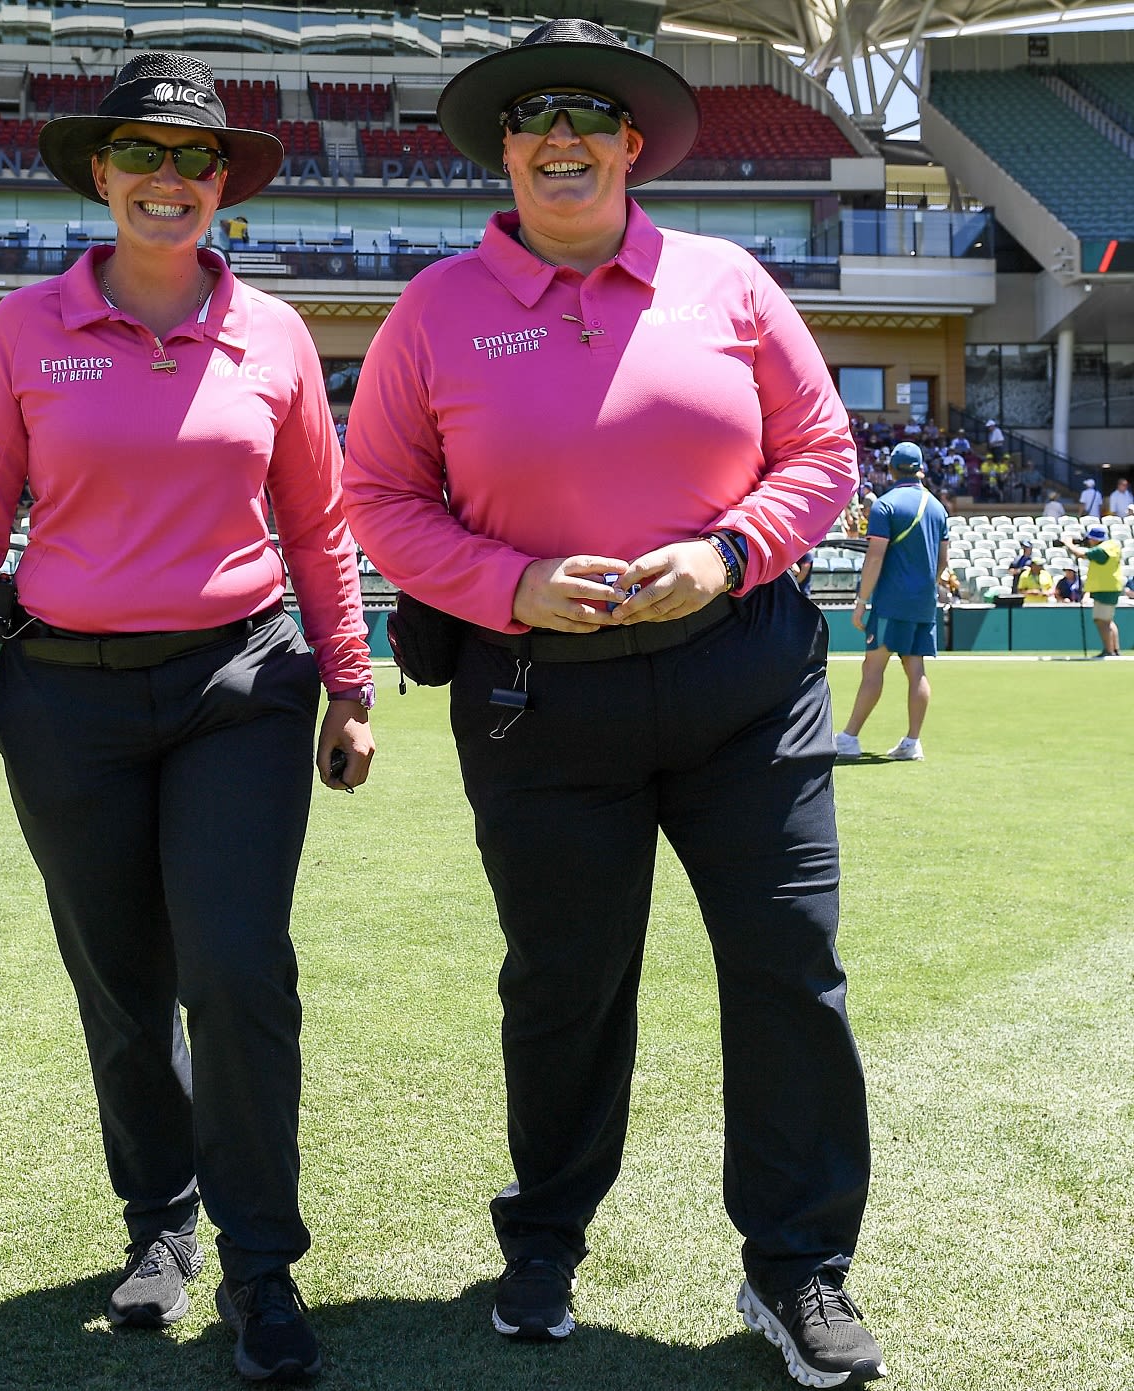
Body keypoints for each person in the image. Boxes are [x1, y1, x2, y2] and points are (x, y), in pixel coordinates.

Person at [342, 21, 885, 1388]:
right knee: (565, 987)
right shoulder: (435, 307)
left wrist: (728, 550)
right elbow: (380, 501)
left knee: (788, 967)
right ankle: (545, 1239)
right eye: (534, 122)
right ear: (504, 152)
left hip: (745, 681)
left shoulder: (730, 279)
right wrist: (509, 585)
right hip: (537, 700)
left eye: (589, 115)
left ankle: (799, 1265)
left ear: (632, 142)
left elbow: (823, 451)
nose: (562, 139)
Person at [0, 52, 374, 1384]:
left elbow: (319, 522)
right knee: (123, 988)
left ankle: (263, 1261)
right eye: (143, 156)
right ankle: (160, 1219)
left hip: (241, 683)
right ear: (102, 174)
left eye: (195, 159)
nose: (169, 180)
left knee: (235, 968)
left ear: (222, 184)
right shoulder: (24, 329)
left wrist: (350, 681)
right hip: (66, 699)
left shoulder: (276, 336)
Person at [835, 440, 949, 762]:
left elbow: (874, 558)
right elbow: (943, 561)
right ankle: (913, 742)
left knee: (873, 668)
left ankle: (850, 738)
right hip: (923, 604)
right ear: (921, 468)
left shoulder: (886, 505)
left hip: (891, 602)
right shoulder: (938, 508)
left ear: (891, 469)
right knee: (916, 670)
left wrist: (861, 602)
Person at [1062, 523, 1122, 656]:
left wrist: (1069, 543)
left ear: (1094, 538)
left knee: (1101, 620)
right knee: (1108, 620)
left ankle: (1109, 650)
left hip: (1104, 588)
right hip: (1110, 586)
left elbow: (1081, 554)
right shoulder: (1111, 546)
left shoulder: (1101, 550)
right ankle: (1115, 649)